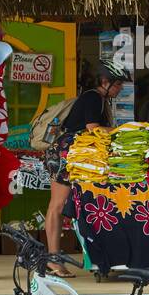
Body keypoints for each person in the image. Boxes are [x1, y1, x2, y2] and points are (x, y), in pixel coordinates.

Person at [43, 59, 128, 276]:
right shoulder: (93, 97)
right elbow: (93, 129)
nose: (120, 89)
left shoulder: (100, 100)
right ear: (104, 81)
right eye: (118, 84)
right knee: (58, 205)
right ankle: (52, 259)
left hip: (77, 154)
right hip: (66, 153)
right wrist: (127, 130)